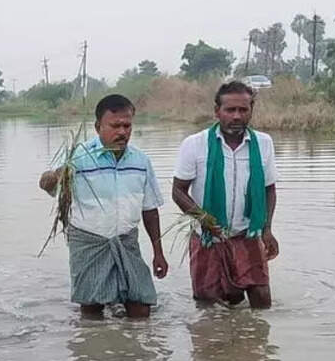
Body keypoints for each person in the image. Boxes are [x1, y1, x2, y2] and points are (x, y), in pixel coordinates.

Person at [39, 94, 168, 318]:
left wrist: (158, 253)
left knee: (141, 308)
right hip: (89, 243)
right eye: (115, 126)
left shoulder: (140, 161)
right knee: (91, 312)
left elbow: (149, 210)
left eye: (127, 126)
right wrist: (54, 177)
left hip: (127, 241)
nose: (122, 132)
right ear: (98, 127)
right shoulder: (78, 157)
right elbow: (46, 184)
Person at [171, 81, 279, 308]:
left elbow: (269, 188)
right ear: (217, 111)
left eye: (243, 110)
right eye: (230, 110)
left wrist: (267, 229)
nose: (237, 116)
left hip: (248, 234)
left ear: (251, 110)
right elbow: (178, 191)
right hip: (208, 237)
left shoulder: (263, 143)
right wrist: (205, 220)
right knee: (208, 306)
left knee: (262, 300)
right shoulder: (195, 144)